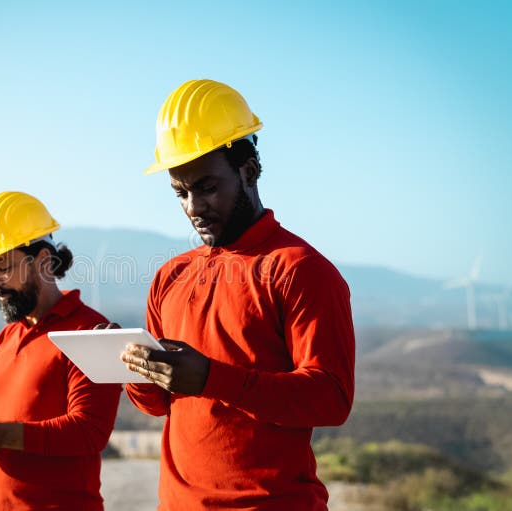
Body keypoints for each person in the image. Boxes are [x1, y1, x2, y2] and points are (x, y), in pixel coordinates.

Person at [119, 79, 356, 510]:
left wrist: (211, 378)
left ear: (248, 171)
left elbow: (332, 398)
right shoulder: (170, 276)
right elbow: (156, 405)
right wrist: (134, 366)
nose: (193, 206)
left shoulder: (301, 270)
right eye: (180, 192)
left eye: (207, 187)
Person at [0, 191, 122, 511]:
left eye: (3, 268)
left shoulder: (91, 331)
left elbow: (89, 431)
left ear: (44, 262)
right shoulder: (6, 338)